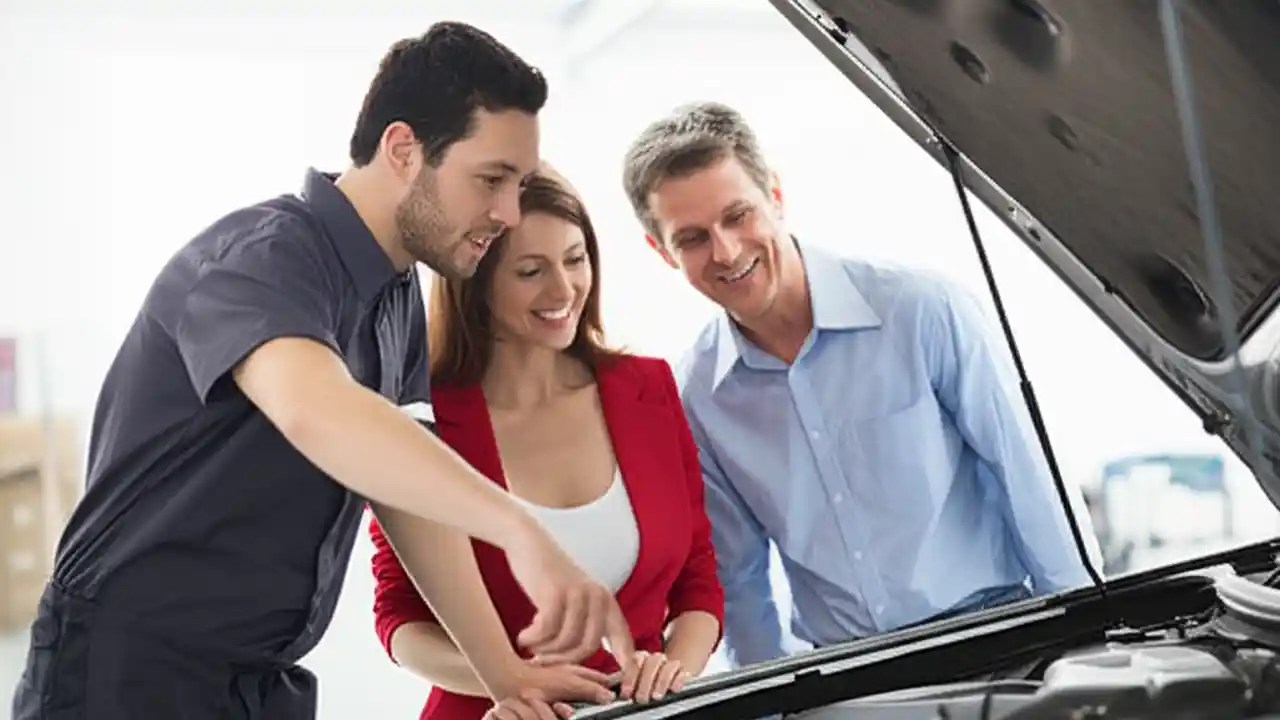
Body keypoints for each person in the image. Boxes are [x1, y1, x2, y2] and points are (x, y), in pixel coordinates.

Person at [11, 23, 633, 720]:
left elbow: (406, 498)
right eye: (491, 179)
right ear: (403, 150)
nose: (509, 212)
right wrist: (521, 530)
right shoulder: (266, 256)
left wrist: (503, 674)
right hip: (124, 678)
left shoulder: (396, 295)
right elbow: (316, 408)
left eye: (519, 185)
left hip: (260, 683)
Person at [620, 101, 1102, 669]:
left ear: (775, 195)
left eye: (737, 215)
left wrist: (1090, 645)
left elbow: (1031, 482)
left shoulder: (922, 310)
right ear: (662, 252)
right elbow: (741, 581)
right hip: (849, 680)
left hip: (1003, 643)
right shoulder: (698, 396)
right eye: (693, 238)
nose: (726, 252)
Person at [369, 167, 725, 720]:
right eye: (531, 271)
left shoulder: (648, 389)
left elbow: (698, 577)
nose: (563, 290)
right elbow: (398, 616)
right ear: (477, 282)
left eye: (576, 259)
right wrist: (509, 681)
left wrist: (673, 668)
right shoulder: (426, 419)